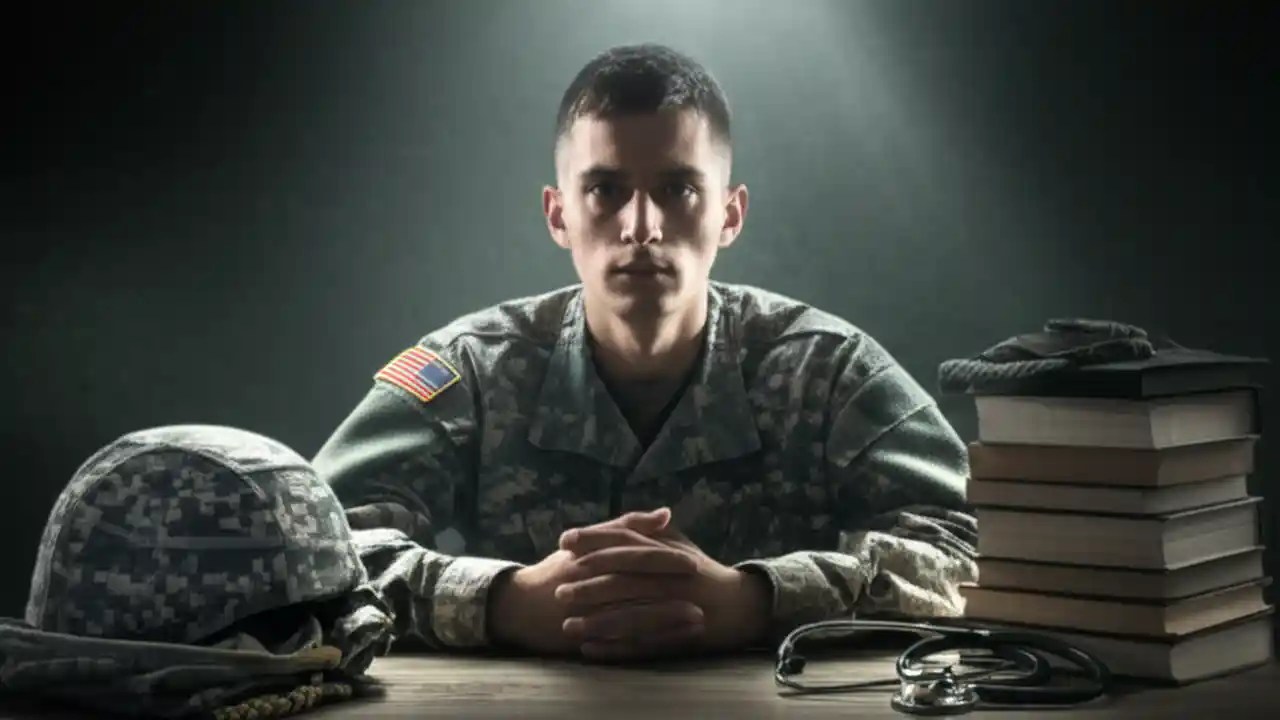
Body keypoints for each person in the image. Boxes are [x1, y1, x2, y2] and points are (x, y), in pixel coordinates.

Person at [311, 42, 978, 663]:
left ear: (729, 214)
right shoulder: (471, 371)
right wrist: (503, 603)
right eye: (604, 190)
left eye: (677, 188)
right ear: (558, 215)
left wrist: (759, 600)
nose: (641, 227)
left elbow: (973, 548)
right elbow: (311, 547)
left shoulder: (830, 373)